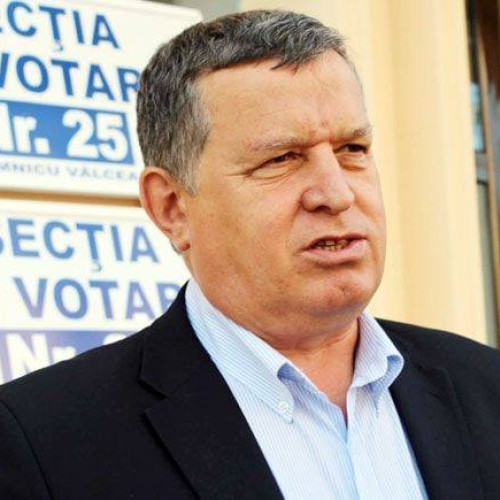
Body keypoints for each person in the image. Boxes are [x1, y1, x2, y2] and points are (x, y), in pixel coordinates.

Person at [0, 9, 499, 500]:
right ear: (172, 207)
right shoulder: (44, 442)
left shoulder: (485, 386)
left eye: (352, 149)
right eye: (282, 158)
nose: (337, 193)